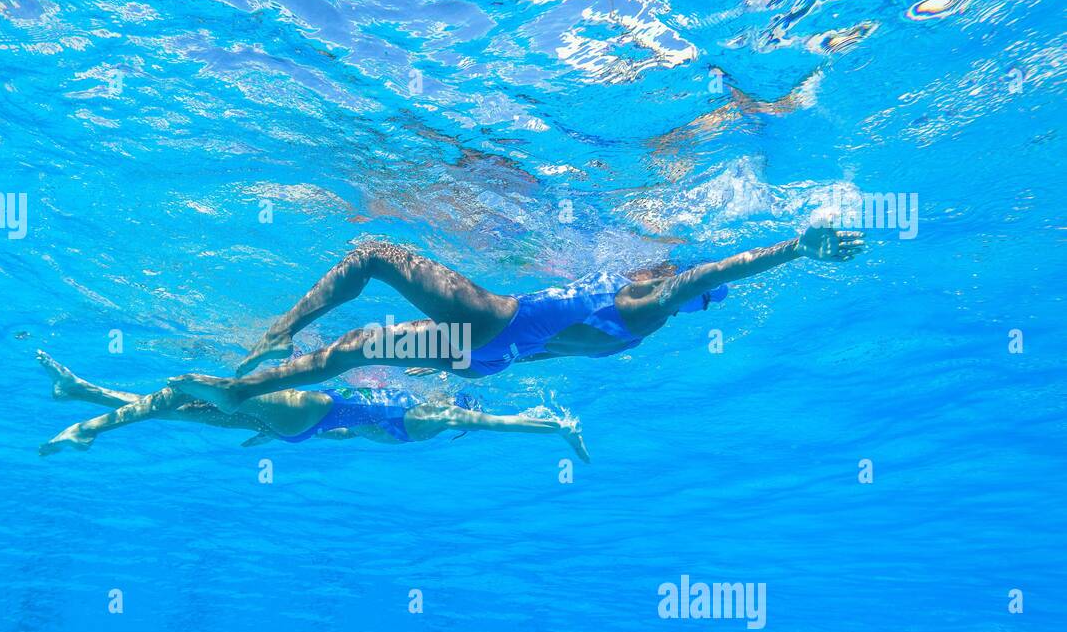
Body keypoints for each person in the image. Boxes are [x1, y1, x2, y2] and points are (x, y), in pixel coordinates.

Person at [166, 223, 864, 412]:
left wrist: (795, 248)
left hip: (491, 327)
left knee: (376, 254)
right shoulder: (631, 319)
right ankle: (238, 392)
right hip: (490, 356)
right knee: (354, 347)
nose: (658, 262)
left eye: (667, 268)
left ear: (670, 284)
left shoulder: (648, 305)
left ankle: (280, 329)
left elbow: (717, 273)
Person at [35, 352, 589, 461]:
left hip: (308, 409)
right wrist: (275, 433)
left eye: (448, 395)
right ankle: (83, 394)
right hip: (303, 421)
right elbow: (347, 432)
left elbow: (498, 421)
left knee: (183, 392)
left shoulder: (432, 417)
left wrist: (557, 428)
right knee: (181, 409)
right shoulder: (410, 427)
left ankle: (87, 427)